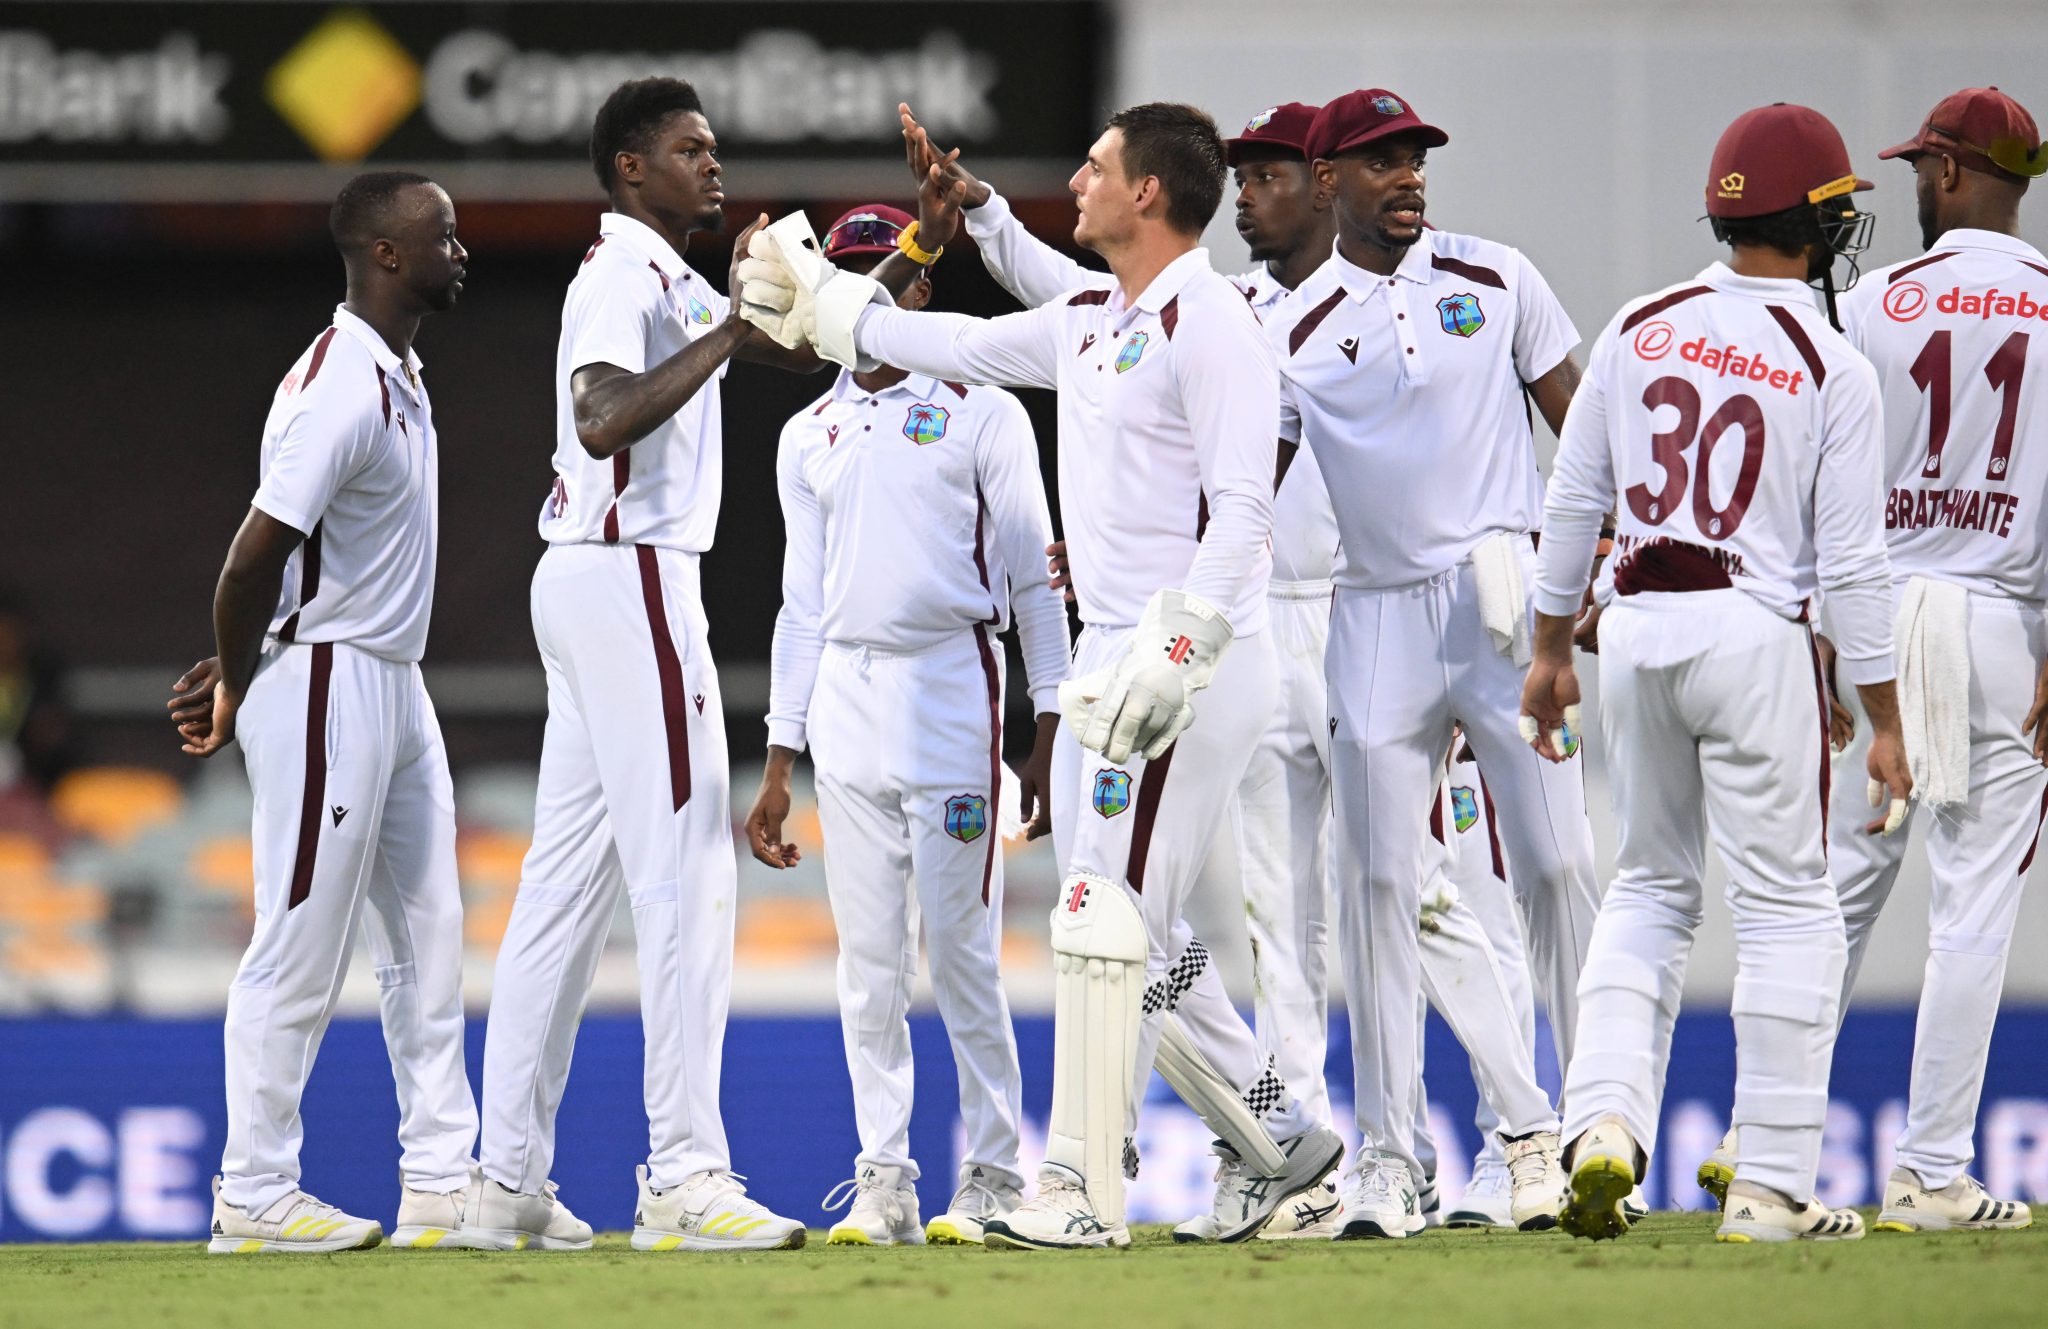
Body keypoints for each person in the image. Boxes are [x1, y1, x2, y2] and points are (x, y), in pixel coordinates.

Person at [903, 99, 1564, 1239]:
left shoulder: (1367, 305)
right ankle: (1283, 1141)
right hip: (1236, 630)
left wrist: (1474, 619)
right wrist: (974, 225)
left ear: (1320, 189)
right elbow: (1063, 322)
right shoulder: (1221, 308)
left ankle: (1527, 1133)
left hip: (1339, 624)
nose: (1255, 193)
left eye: (1274, 174)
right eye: (1243, 174)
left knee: (1411, 895)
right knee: (1251, 924)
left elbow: (1385, 481)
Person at [739, 100, 1344, 1249]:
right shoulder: (1092, 317)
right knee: (1133, 937)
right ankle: (1285, 1148)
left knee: (1098, 920)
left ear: (1148, 195)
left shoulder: (1209, 321)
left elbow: (1244, 509)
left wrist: (1180, 649)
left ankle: (1073, 1187)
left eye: (1095, 167)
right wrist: (849, 291)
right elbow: (953, 342)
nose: (1076, 181)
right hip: (1116, 656)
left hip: (1188, 660)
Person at [471, 78, 920, 1254]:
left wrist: (895, 259)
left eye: (712, 148)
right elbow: (603, 416)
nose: (712, 167)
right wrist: (729, 325)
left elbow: (786, 351)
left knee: (562, 895)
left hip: (588, 577)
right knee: (687, 872)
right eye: (688, 150)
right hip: (630, 576)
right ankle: (681, 1172)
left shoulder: (663, 278)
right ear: (630, 169)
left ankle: (504, 1178)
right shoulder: (622, 273)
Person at [1523, 101, 1911, 1244]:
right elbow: (1851, 565)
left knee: (1645, 888)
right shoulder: (1827, 362)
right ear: (1816, 225)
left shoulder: (1640, 321)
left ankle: (1596, 1128)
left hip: (1634, 625)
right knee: (1787, 908)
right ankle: (1771, 1187)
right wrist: (1880, 718)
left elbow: (1569, 502)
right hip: (1751, 632)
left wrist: (1550, 650)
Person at [1262, 88, 1594, 1237]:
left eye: (1413, 158)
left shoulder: (1497, 276)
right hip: (1374, 617)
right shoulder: (1290, 328)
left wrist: (1584, 577)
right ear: (1326, 181)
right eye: (1378, 160)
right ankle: (1390, 1164)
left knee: (1556, 864)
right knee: (1376, 892)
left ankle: (1593, 1126)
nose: (1406, 175)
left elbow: (1583, 433)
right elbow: (1238, 484)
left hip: (1499, 597)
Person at [168, 171, 505, 1253]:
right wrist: (237, 673)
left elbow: (302, 564)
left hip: (391, 681)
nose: (462, 250)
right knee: (301, 942)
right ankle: (253, 1193)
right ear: (386, 254)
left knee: (429, 935)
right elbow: (250, 557)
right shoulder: (340, 387)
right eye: (442, 236)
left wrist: (243, 651)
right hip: (325, 684)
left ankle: (443, 1180)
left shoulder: (399, 372)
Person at [743, 204, 1069, 1246]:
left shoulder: (982, 408)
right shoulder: (807, 434)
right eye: (839, 276)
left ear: (917, 292)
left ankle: (987, 1172)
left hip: (950, 687)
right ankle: (883, 1174)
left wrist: (1047, 728)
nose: (858, 294)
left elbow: (1031, 581)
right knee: (868, 957)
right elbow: (799, 604)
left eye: (878, 276)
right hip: (844, 695)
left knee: (962, 949)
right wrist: (776, 757)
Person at [1822, 86, 2044, 1232]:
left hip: (1875, 611)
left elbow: (1822, 475)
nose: (1912, 182)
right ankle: (1928, 1173)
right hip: (1998, 616)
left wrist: (1821, 632)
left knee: (1825, 898)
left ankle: (1766, 1159)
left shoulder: (1867, 302)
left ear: (1952, 173)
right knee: (1969, 912)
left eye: (1920, 165)